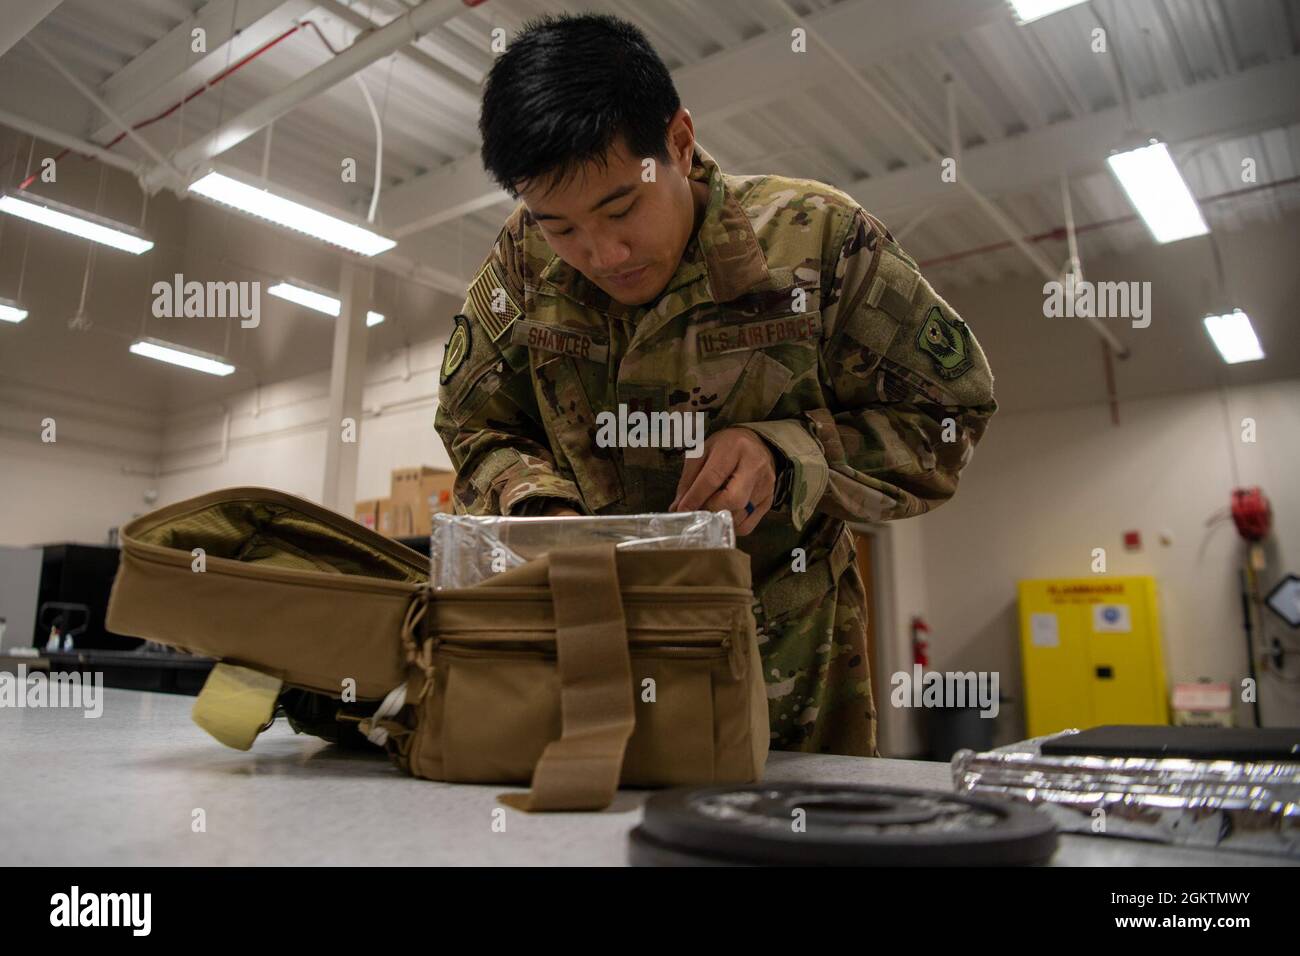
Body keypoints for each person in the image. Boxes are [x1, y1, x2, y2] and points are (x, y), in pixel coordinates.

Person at [434, 13, 997, 756]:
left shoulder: (817, 241)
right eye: (560, 228)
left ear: (678, 141)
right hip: (585, 669)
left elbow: (948, 413)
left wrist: (787, 452)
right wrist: (538, 507)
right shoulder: (523, 259)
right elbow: (476, 424)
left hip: (785, 681)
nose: (602, 252)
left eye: (621, 207)